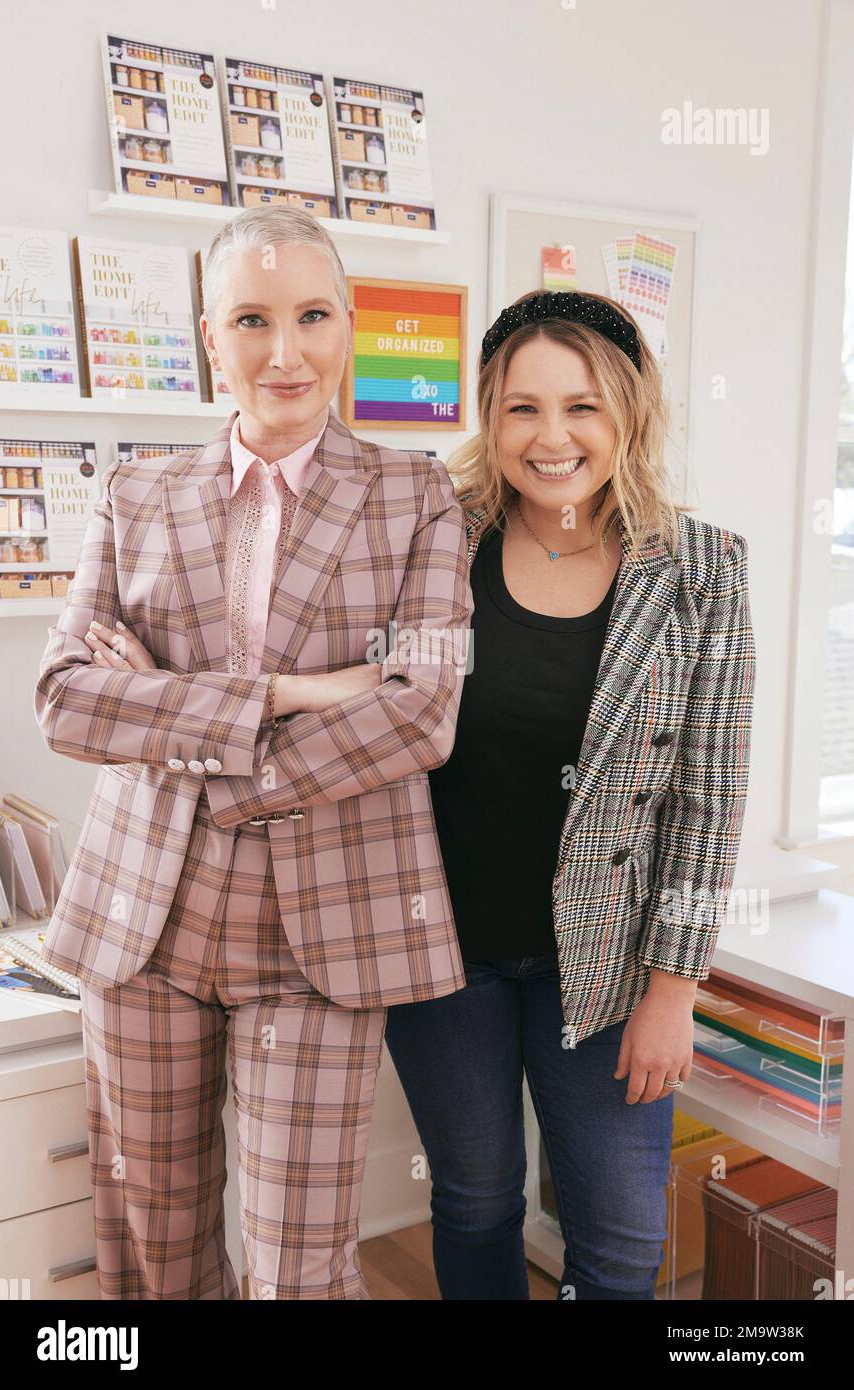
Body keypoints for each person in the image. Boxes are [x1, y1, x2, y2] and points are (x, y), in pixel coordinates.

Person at [33, 205, 473, 1300]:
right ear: (208, 338)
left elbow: (422, 713)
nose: (287, 352)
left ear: (350, 324)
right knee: (156, 1246)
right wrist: (285, 693)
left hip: (320, 936)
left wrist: (181, 726)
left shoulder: (417, 499)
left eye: (313, 315)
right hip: (143, 924)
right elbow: (65, 702)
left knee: (299, 1269)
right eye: (252, 320)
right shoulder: (137, 495)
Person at [384, 289, 757, 1300]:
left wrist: (674, 992)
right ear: (488, 414)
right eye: (522, 407)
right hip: (440, 954)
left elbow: (709, 800)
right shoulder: (431, 538)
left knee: (626, 1241)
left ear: (629, 411)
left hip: (609, 969)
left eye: (582, 406)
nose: (552, 437)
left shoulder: (702, 570)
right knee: (473, 1202)